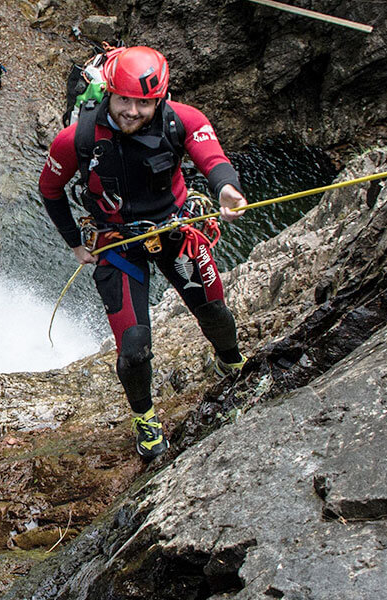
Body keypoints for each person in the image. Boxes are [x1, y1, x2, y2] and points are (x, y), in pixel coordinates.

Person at [37, 46, 248, 461]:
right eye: (124, 100)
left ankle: (231, 363)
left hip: (175, 231)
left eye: (144, 102)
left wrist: (227, 189)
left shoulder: (181, 120)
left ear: (160, 99)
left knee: (215, 313)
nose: (132, 111)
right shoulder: (76, 139)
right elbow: (50, 190)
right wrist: (74, 243)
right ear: (109, 93)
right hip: (117, 246)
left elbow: (213, 159)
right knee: (134, 347)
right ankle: (145, 417)